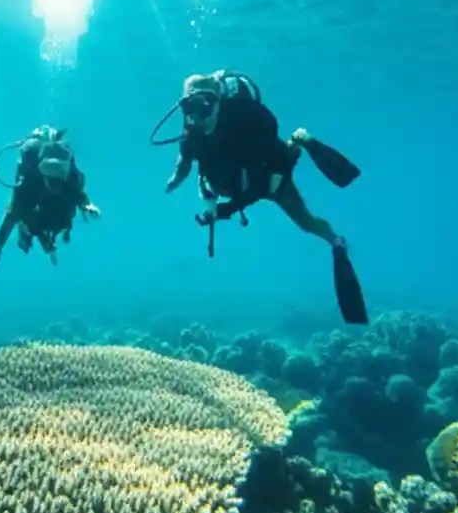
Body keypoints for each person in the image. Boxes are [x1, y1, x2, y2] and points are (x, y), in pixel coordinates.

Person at [155, 70, 368, 324]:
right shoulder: (192, 133)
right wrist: (174, 182)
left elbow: (268, 175)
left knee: (305, 222)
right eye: (190, 106)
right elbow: (186, 162)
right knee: (215, 187)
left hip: (270, 174)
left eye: (206, 104)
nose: (198, 114)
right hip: (232, 184)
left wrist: (229, 208)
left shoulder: (248, 121)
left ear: (220, 101)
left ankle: (301, 146)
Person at [0, 125, 101, 268]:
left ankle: (45, 240)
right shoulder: (28, 181)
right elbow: (11, 215)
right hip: (34, 188)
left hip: (55, 186)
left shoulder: (69, 174)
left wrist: (86, 204)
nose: (55, 187)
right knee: (25, 214)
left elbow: (77, 192)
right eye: (51, 182)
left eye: (57, 182)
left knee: (63, 215)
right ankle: (30, 234)